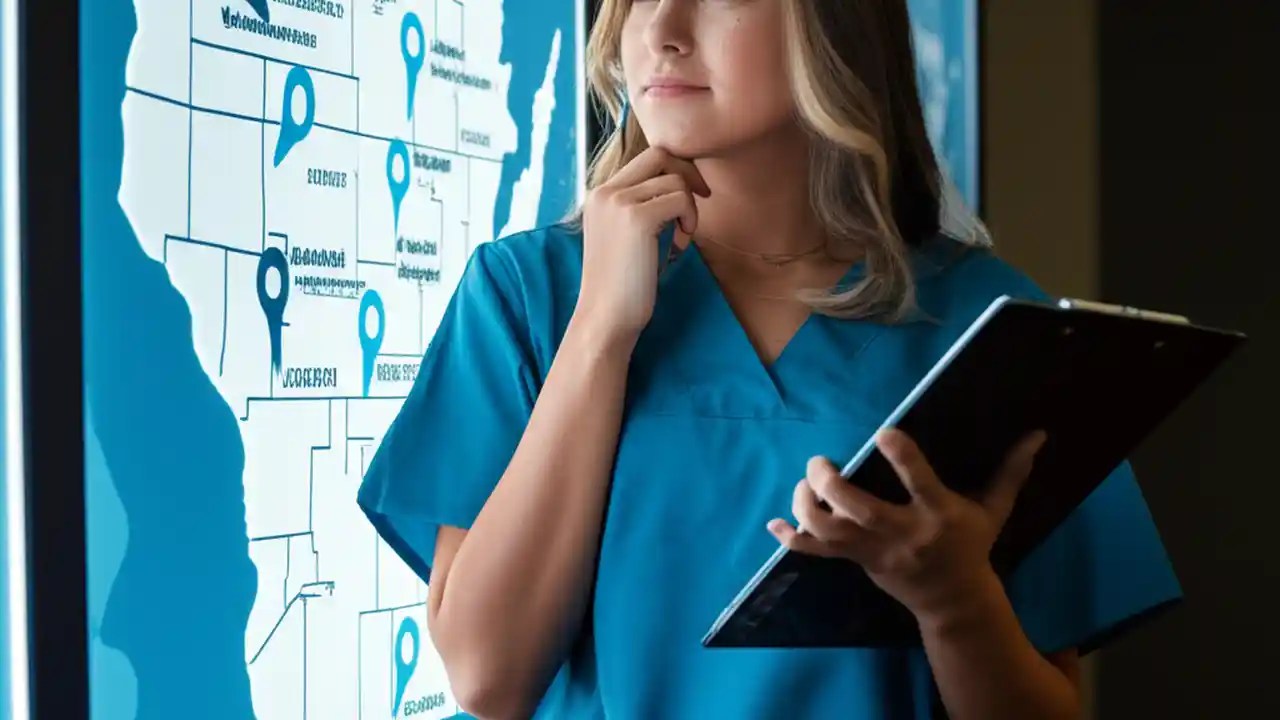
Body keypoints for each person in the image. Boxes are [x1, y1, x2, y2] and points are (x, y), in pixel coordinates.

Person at [357, 1, 1182, 717]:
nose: (661, 32)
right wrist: (600, 332)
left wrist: (956, 601)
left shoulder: (994, 328)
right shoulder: (526, 295)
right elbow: (486, 679)